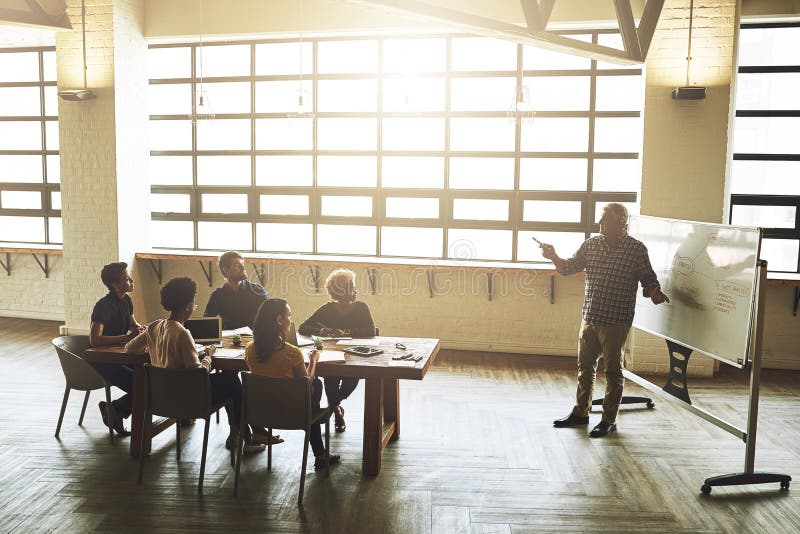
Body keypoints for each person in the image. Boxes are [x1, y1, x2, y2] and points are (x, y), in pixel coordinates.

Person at [539, 203, 670, 438]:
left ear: (620, 222)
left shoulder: (636, 249)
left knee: (612, 372)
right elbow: (568, 268)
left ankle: (609, 420)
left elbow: (648, 280)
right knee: (585, 369)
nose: (599, 223)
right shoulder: (592, 244)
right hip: (590, 317)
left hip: (616, 321)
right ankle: (581, 413)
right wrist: (553, 256)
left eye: (605, 219)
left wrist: (655, 293)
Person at [125, 277, 255, 451]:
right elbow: (198, 375)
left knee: (228, 380)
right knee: (231, 381)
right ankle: (242, 436)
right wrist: (208, 356)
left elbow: (130, 349)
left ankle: (243, 435)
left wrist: (153, 349)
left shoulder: (154, 327)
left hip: (160, 398)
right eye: (193, 305)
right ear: (187, 307)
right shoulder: (182, 333)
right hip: (188, 400)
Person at [246, 298, 340, 471]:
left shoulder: (250, 349)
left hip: (261, 412)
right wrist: (313, 361)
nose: (291, 319)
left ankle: (316, 424)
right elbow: (305, 383)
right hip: (293, 414)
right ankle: (320, 451)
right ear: (279, 320)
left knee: (310, 392)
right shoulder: (292, 353)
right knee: (315, 386)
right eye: (289, 315)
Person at [298, 269, 375, 432]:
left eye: (353, 286)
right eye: (350, 287)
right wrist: (320, 332)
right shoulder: (327, 308)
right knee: (330, 377)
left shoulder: (361, 307)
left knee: (352, 378)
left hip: (355, 353)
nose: (355, 290)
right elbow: (302, 327)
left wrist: (347, 332)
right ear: (339, 292)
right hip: (332, 353)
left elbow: (371, 331)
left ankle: (332, 407)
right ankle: (337, 411)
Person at [89, 262, 145, 436]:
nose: (131, 280)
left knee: (149, 376)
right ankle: (116, 410)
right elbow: (95, 340)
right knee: (141, 384)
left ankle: (114, 409)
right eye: (127, 279)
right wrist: (126, 338)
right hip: (103, 360)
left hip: (121, 355)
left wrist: (140, 329)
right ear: (115, 285)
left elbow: (133, 324)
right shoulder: (103, 306)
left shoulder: (126, 300)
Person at [203, 251, 269, 330]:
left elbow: (269, 318)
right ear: (226, 270)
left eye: (243, 264)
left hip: (253, 339)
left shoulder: (257, 291)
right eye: (237, 265)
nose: (243, 268)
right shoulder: (218, 295)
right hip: (227, 340)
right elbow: (207, 322)